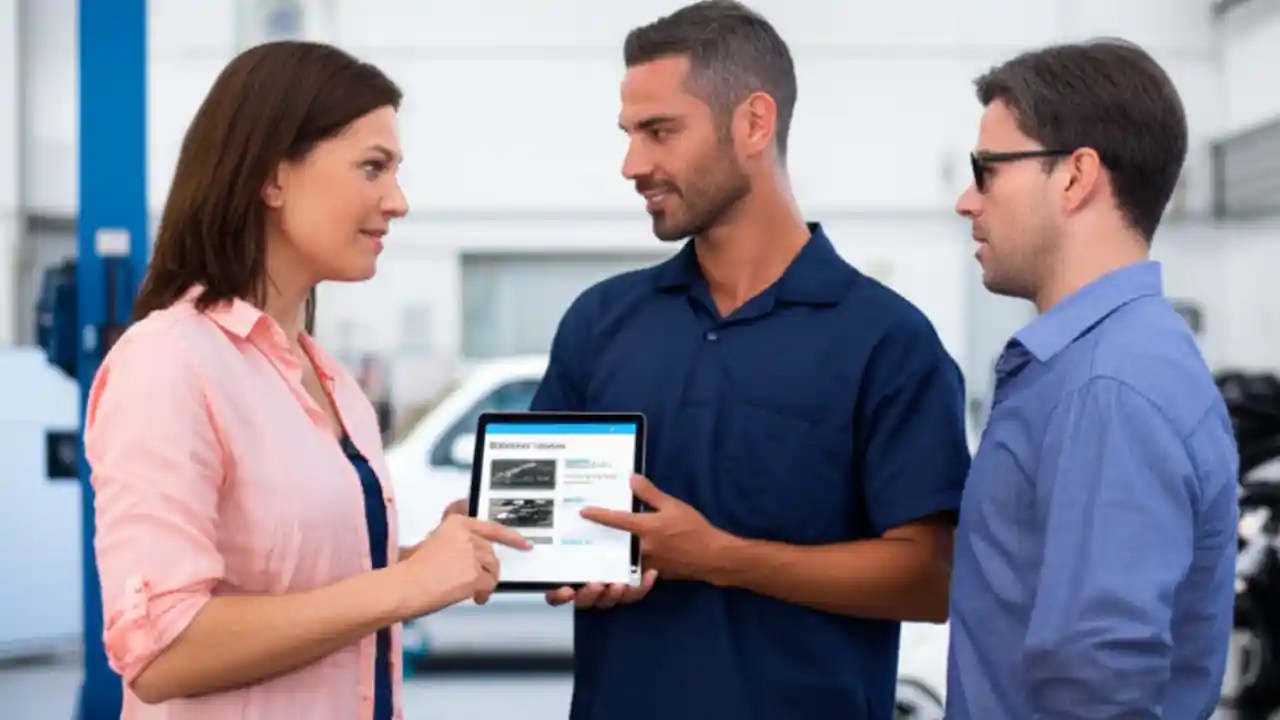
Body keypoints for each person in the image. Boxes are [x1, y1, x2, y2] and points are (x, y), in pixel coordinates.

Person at [530, 2, 971, 718]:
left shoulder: (887, 341)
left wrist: (718, 557)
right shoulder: (600, 323)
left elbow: (932, 578)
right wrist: (532, 546)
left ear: (753, 124)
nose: (632, 165)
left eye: (660, 131)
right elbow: (549, 525)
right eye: (630, 135)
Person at [83, 40, 529, 719]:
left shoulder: (330, 380)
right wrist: (404, 585)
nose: (399, 201)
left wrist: (428, 561)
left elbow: (309, 590)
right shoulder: (168, 362)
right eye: (372, 168)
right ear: (272, 177)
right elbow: (161, 649)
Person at [947, 39, 1239, 719]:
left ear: (1076, 177)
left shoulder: (1109, 389)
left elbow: (1097, 687)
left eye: (985, 170)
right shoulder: (1098, 366)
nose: (967, 200)